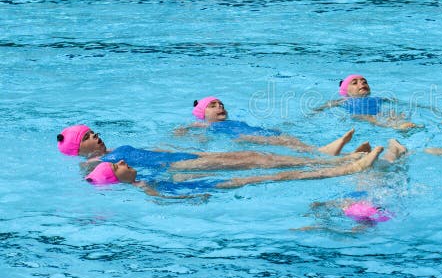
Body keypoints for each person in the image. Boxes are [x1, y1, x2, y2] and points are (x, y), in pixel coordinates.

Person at [82, 146, 384, 197]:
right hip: (215, 186)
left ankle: (344, 165)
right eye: (115, 166)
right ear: (113, 178)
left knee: (273, 173)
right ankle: (349, 167)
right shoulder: (142, 186)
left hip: (209, 183)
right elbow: (168, 197)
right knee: (275, 175)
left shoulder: (142, 181)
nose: (121, 162)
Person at [57, 124, 372, 173]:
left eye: (95, 133)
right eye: (87, 137)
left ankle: (324, 155)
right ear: (78, 148)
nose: (96, 137)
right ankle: (331, 165)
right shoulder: (93, 166)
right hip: (177, 169)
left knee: (254, 155)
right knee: (254, 162)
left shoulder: (114, 150)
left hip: (178, 157)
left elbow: (148, 151)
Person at [178, 96, 359, 156]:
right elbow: (185, 132)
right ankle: (320, 152)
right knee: (282, 143)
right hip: (245, 138)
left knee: (286, 138)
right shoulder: (203, 124)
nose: (220, 107)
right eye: (213, 106)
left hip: (258, 132)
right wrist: (186, 131)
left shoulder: (231, 121)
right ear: (202, 114)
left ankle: (322, 151)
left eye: (221, 104)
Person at [315, 74, 421, 130]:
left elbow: (403, 103)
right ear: (346, 91)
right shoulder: (344, 100)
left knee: (392, 113)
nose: (361, 84)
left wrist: (422, 106)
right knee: (365, 117)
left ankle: (403, 125)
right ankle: (395, 126)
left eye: (364, 82)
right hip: (358, 116)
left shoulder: (378, 99)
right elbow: (323, 107)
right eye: (355, 83)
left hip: (378, 114)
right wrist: (313, 114)